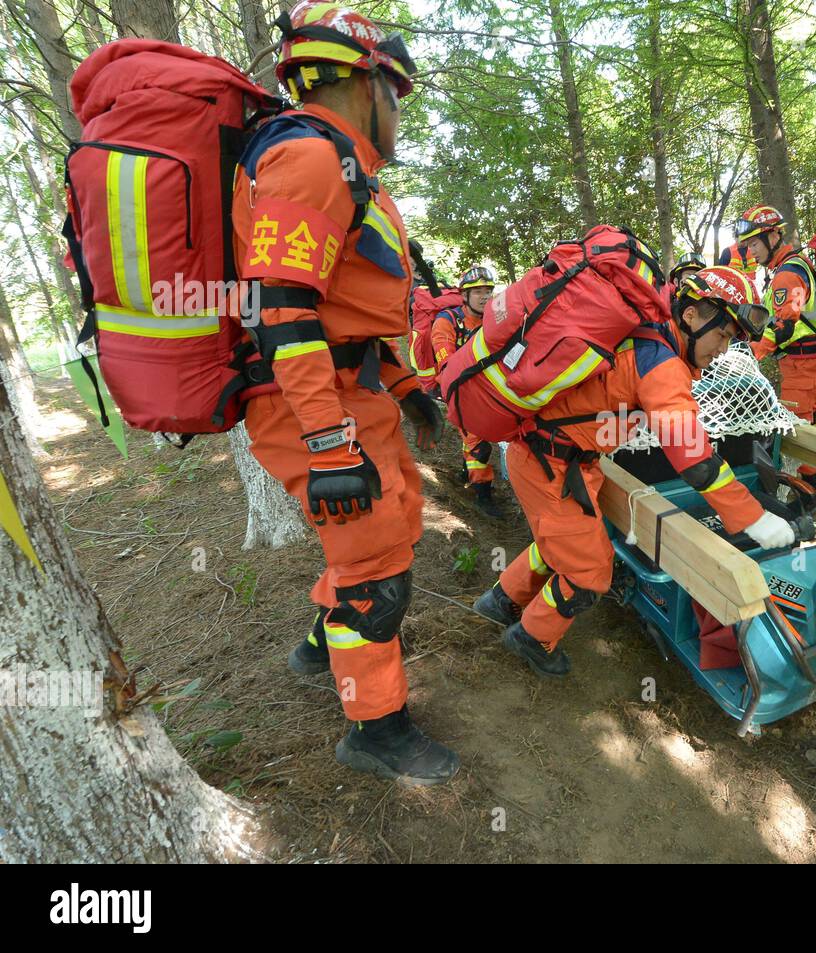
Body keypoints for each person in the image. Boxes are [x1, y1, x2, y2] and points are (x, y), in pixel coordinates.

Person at [233, 2, 457, 783]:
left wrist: (404, 385)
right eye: (396, 94)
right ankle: (376, 729)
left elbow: (343, 316)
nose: (400, 113)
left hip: (341, 389)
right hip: (311, 402)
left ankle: (316, 648)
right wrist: (329, 442)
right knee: (374, 579)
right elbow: (282, 311)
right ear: (364, 82)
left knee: (385, 533)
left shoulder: (342, 164)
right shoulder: (311, 160)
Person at [472, 266, 795, 678]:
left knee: (567, 543)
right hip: (549, 466)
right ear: (692, 315)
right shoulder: (661, 363)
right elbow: (695, 460)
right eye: (724, 335)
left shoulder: (648, 337)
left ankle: (500, 601)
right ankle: (532, 637)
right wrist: (753, 518)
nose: (724, 349)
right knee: (589, 573)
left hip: (564, 460)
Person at [737, 205, 816, 488]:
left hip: (804, 359)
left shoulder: (787, 274)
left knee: (795, 424)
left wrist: (753, 353)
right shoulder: (787, 267)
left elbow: (784, 325)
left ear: (773, 236)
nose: (750, 251)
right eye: (747, 245)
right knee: (813, 414)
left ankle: (810, 485)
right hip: (804, 358)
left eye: (754, 243)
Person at [427, 266, 506, 517]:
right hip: (457, 387)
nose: (485, 296)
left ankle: (466, 471)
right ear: (464, 295)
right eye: (478, 291)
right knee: (478, 442)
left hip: (489, 387)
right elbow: (447, 364)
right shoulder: (447, 322)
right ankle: (482, 494)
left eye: (488, 291)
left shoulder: (495, 320)